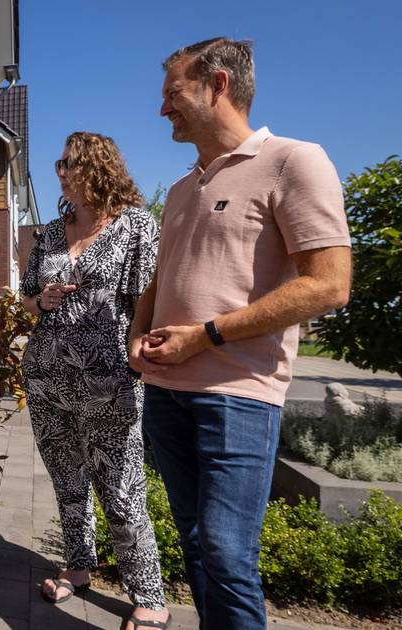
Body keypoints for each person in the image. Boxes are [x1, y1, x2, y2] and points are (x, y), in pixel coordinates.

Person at [130, 38, 351, 630]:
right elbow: (162, 275)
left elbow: (328, 286)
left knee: (229, 557)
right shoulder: (181, 190)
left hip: (238, 397)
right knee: (198, 548)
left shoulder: (294, 161)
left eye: (173, 93)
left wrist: (204, 336)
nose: (163, 109)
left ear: (217, 84)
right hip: (166, 392)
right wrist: (138, 328)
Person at [21, 132, 169, 629]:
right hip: (46, 377)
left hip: (112, 382)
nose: (61, 171)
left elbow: (149, 303)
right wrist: (41, 301)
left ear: (98, 167)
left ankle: (149, 596)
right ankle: (79, 567)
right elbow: (24, 301)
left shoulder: (136, 227)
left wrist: (136, 362)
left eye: (71, 163)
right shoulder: (48, 233)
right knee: (67, 481)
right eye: (59, 162)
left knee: (122, 487)